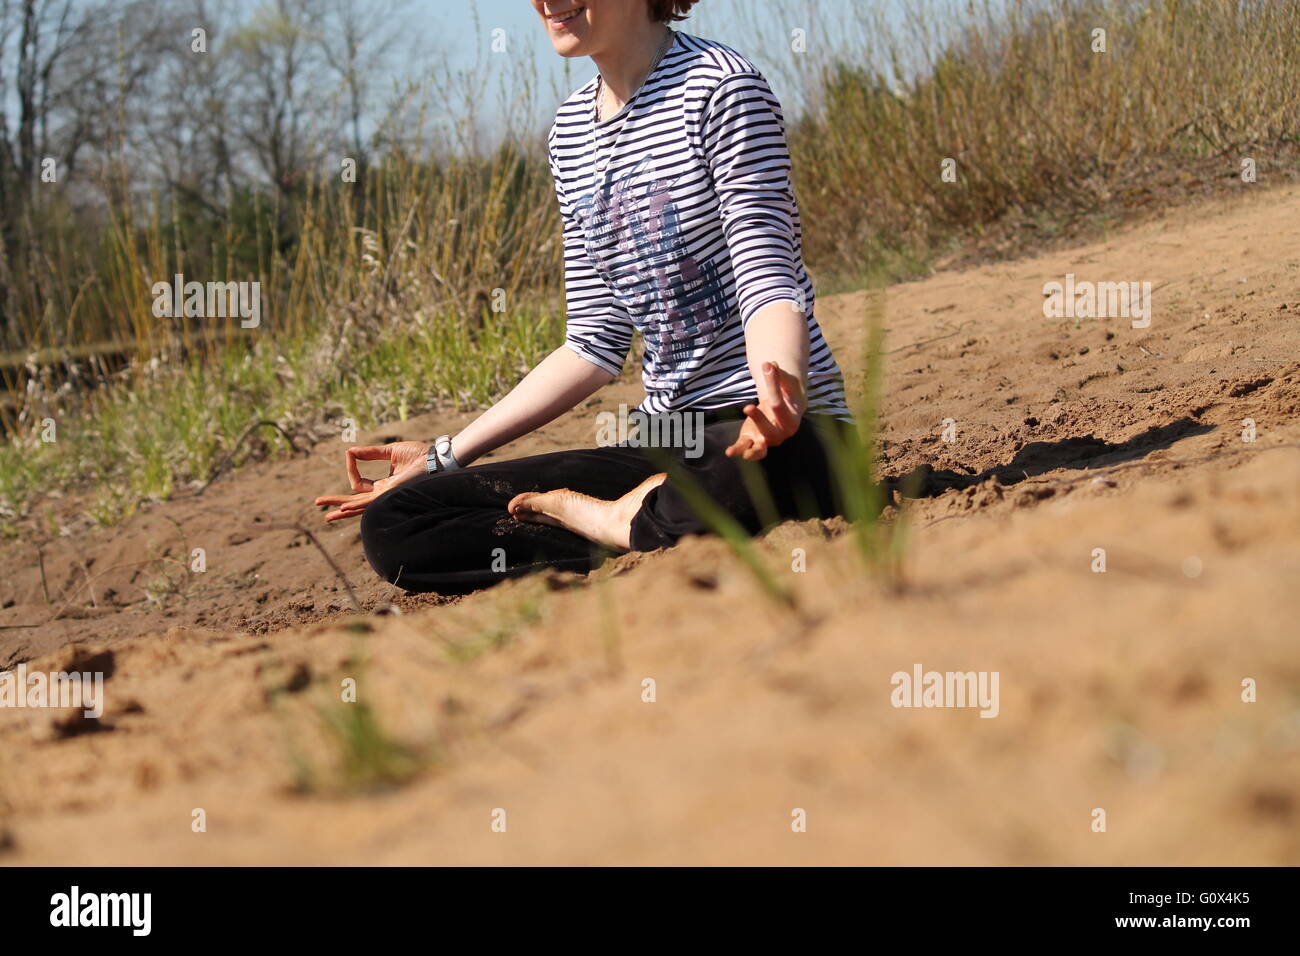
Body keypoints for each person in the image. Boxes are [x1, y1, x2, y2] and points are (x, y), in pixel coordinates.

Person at [314, 0, 855, 595]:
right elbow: (593, 344)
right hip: (665, 441)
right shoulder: (570, 133)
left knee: (785, 463)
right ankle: (639, 524)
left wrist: (782, 391)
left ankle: (626, 519)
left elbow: (766, 274)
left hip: (769, 432)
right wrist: (444, 456)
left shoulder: (724, 91)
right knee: (398, 523)